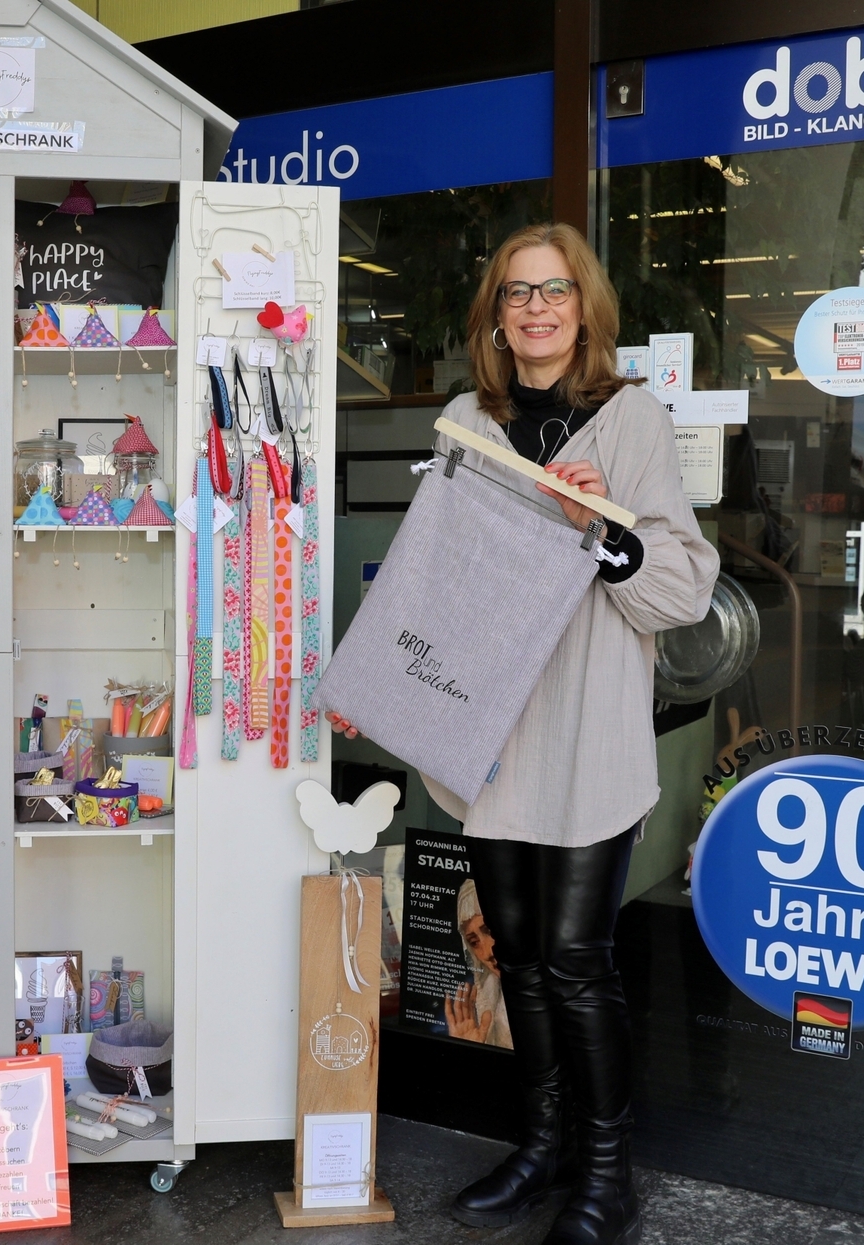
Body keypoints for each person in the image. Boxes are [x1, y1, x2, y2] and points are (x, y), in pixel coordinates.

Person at [327, 222, 718, 1245]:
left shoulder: (629, 421)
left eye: (551, 291)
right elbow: (432, 575)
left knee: (577, 958)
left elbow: (680, 584)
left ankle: (605, 1174)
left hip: (586, 734)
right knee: (520, 957)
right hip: (489, 733)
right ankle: (542, 1150)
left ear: (583, 306)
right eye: (514, 293)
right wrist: (367, 681)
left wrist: (612, 535)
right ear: (494, 316)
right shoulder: (467, 420)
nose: (534, 308)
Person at [446, 878, 512, 1048]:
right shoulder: (488, 1007)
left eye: (490, 931)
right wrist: (469, 1048)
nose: (488, 953)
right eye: (474, 942)